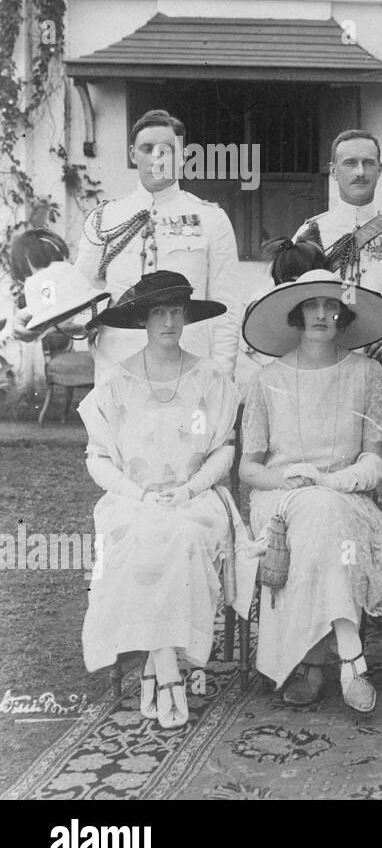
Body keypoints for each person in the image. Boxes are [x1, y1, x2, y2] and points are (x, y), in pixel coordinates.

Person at [78, 272, 241, 730]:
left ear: (186, 317)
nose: (169, 321)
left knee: (183, 536)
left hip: (195, 498)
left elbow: (224, 449)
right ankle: (168, 668)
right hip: (133, 500)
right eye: (158, 312)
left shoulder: (209, 377)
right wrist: (140, 494)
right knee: (142, 537)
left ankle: (157, 664)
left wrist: (189, 489)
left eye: (176, 312)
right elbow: (98, 458)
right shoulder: (116, 381)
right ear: (143, 320)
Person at [239, 269, 382, 713]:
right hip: (279, 501)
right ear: (297, 315)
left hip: (345, 496)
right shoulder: (266, 379)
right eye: (310, 306)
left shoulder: (367, 373)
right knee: (317, 512)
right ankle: (351, 658)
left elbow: (376, 460)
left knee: (325, 513)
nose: (320, 315)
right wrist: (294, 481)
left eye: (331, 306)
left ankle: (313, 664)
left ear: (343, 315)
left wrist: (329, 482)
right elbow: (249, 469)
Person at [74, 109, 240, 379]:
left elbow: (227, 305)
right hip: (119, 364)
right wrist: (87, 324)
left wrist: (222, 373)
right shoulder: (105, 218)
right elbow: (80, 288)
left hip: (188, 365)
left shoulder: (211, 219)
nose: (157, 158)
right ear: (133, 154)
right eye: (147, 148)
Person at [293, 129, 382, 432]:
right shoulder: (311, 233)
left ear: (380, 169)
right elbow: (289, 300)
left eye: (368, 163)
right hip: (325, 365)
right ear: (333, 171)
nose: (360, 172)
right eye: (350, 163)